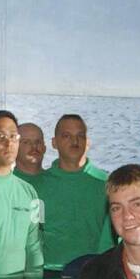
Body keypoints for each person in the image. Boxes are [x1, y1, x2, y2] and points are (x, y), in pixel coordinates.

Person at [30, 113, 111, 268]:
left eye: (80, 136)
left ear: (88, 142)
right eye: (67, 136)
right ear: (54, 143)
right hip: (47, 275)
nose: (75, 141)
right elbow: (31, 237)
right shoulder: (36, 186)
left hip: (95, 274)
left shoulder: (107, 184)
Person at [0, 110, 43, 279]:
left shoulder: (30, 192)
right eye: (1, 136)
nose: (9, 143)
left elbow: (35, 246)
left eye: (14, 137)